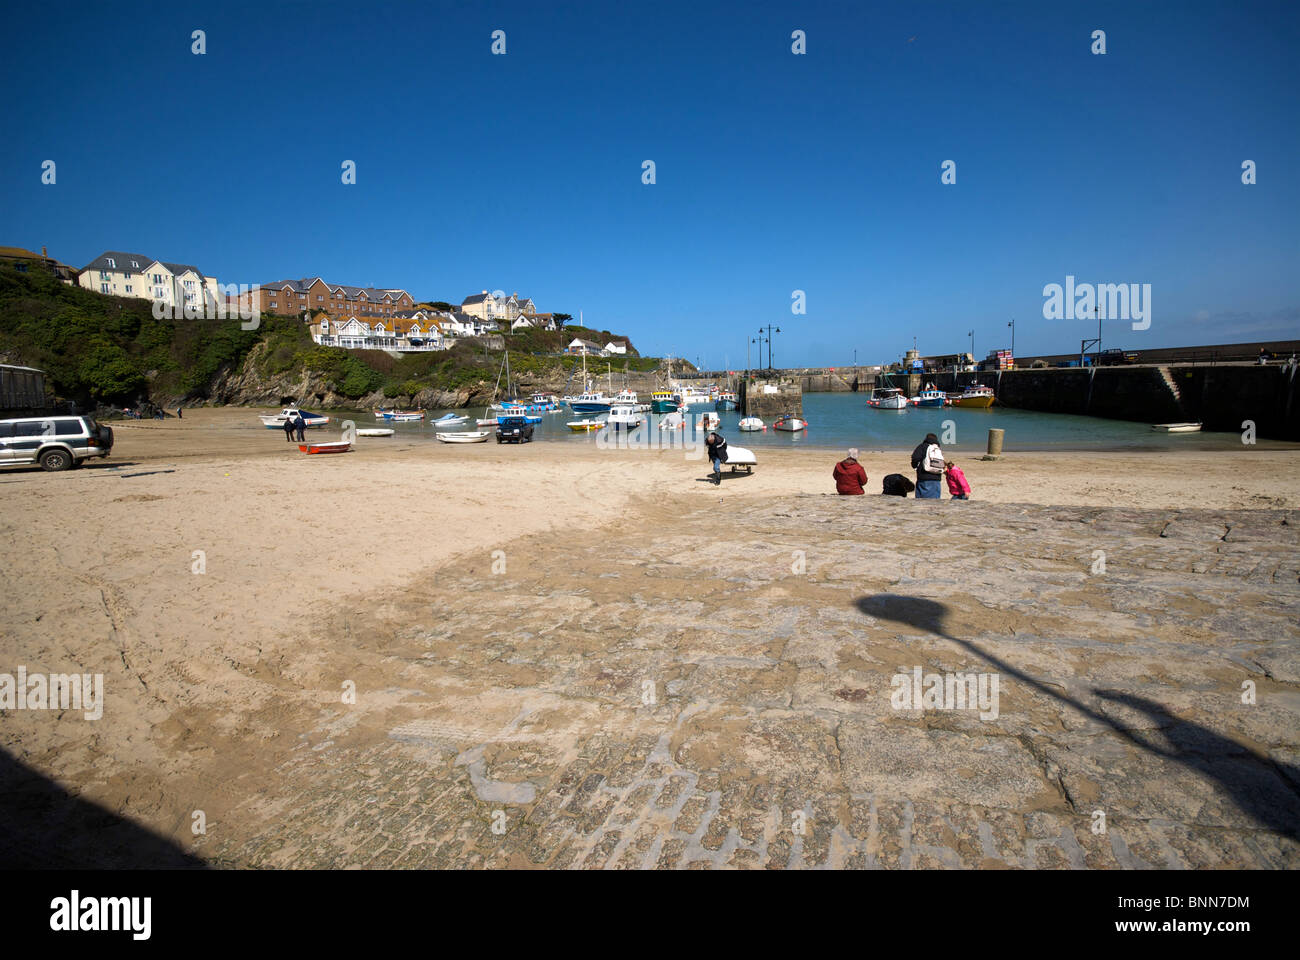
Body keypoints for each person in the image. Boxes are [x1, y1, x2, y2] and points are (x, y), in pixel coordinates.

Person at [910, 432, 945, 499]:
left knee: (921, 501)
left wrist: (915, 466)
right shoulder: (937, 448)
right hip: (937, 478)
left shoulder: (922, 446)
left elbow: (915, 458)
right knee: (935, 502)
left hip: (924, 477)